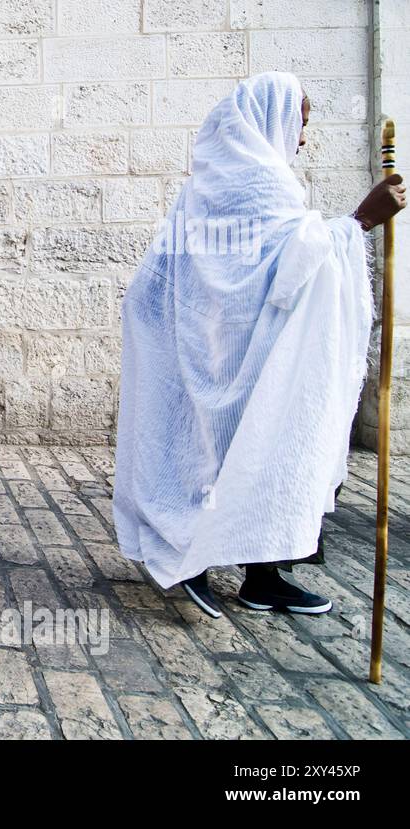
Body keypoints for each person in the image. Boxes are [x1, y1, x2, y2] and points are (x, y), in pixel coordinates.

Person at [114, 71, 406, 618]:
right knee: (210, 459)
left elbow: (275, 261)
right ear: (270, 116)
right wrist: (361, 220)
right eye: (300, 122)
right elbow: (283, 266)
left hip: (260, 350)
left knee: (274, 453)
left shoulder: (256, 179)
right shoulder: (247, 183)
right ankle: (191, 560)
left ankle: (265, 575)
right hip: (218, 356)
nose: (302, 139)